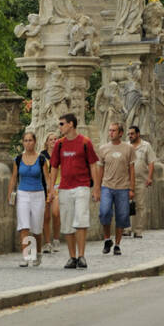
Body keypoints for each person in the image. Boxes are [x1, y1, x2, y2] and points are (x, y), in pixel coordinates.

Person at [47, 113, 99, 269]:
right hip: (64, 188)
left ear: (70, 124)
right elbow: (54, 166)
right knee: (68, 224)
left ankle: (82, 255)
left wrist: (96, 187)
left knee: (80, 221)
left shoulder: (85, 142)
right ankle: (72, 257)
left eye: (62, 124)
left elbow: (93, 165)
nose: (60, 127)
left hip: (82, 186)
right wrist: (51, 189)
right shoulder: (59, 144)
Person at [8, 129, 49, 266]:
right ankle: (27, 256)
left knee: (37, 228)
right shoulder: (18, 159)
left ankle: (37, 253)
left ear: (35, 142)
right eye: (25, 140)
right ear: (23, 142)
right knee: (24, 226)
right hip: (23, 193)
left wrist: (51, 194)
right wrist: (10, 195)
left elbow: (47, 179)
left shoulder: (42, 159)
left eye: (30, 140)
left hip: (38, 194)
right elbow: (14, 178)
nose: (28, 143)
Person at [96, 122, 135, 256]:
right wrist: (97, 188)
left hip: (123, 187)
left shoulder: (128, 148)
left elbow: (132, 169)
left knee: (122, 216)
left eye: (114, 131)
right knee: (104, 213)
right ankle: (107, 239)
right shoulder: (103, 148)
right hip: (107, 186)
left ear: (120, 133)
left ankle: (117, 244)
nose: (111, 133)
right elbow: (100, 169)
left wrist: (132, 188)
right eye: (109, 130)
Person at [126, 125, 156, 238]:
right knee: (126, 204)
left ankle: (138, 230)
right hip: (127, 180)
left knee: (140, 205)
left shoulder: (146, 146)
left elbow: (151, 162)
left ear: (138, 134)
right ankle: (127, 228)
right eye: (129, 134)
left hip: (141, 179)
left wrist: (149, 177)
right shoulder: (127, 146)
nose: (130, 136)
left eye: (132, 134)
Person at [41, 131, 61, 254]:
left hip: (58, 186)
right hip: (44, 187)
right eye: (51, 139)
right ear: (47, 142)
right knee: (46, 216)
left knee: (55, 213)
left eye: (55, 139)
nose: (53, 141)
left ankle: (56, 239)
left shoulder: (61, 154)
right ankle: (47, 243)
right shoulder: (42, 156)